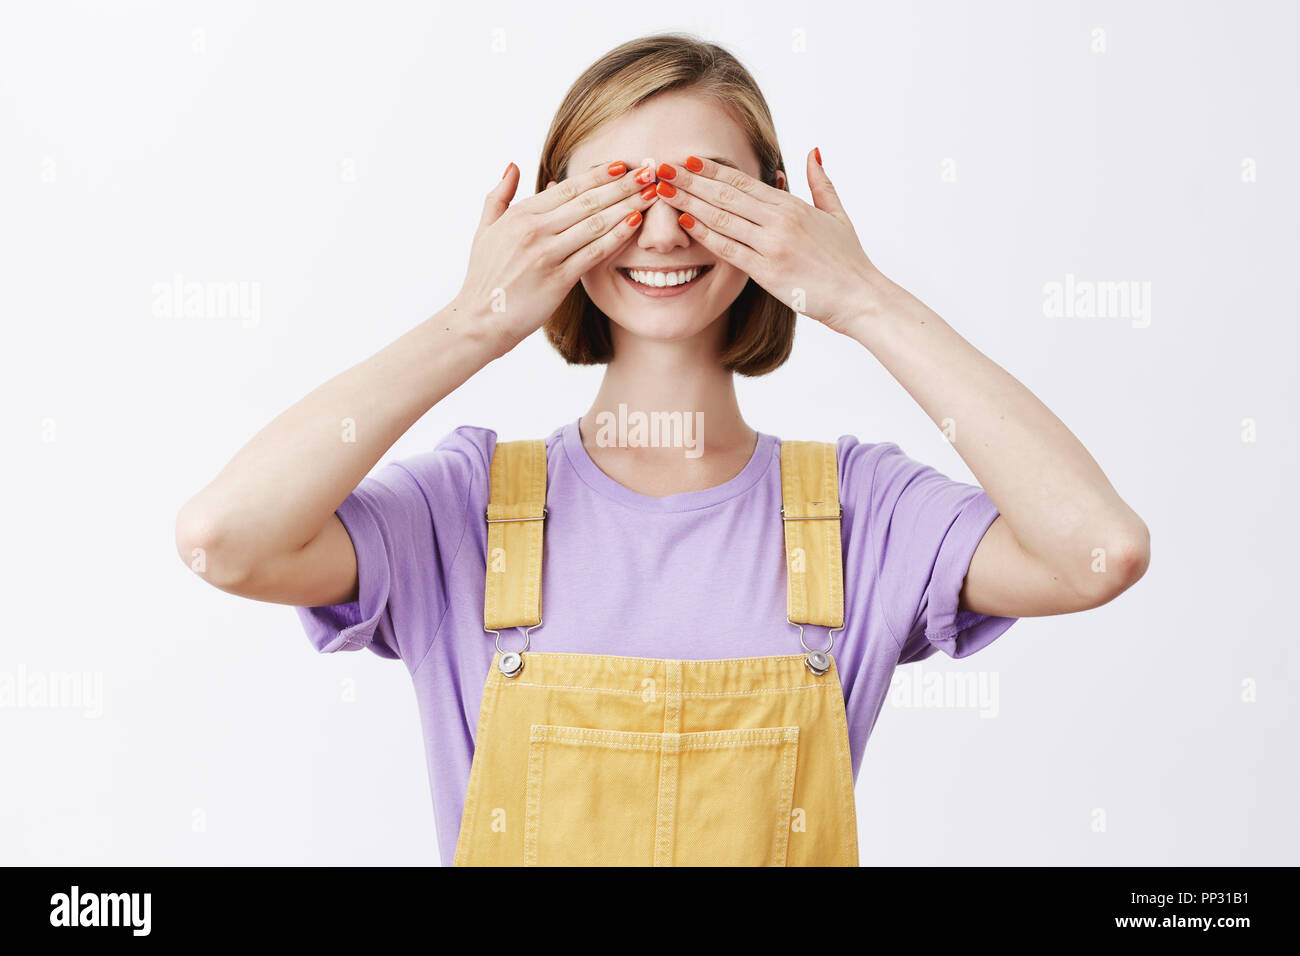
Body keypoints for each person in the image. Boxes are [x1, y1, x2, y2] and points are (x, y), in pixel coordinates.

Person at [175, 33, 1150, 866]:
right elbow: (223, 537)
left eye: (706, 190)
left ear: (777, 211)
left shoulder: (862, 514)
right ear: (549, 217)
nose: (655, 226)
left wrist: (861, 295)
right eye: (610, 193)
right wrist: (471, 321)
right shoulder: (462, 512)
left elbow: (1098, 550)